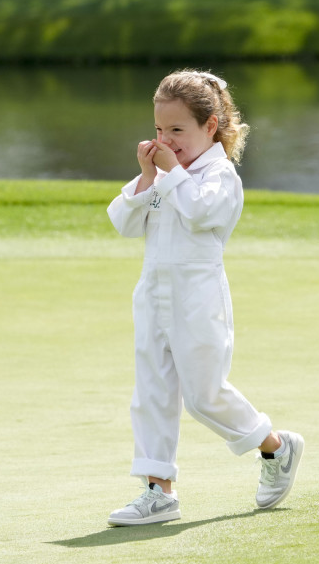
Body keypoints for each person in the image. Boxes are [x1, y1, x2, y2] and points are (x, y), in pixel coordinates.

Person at [106, 70, 304, 526]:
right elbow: (123, 221)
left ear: (210, 126)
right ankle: (159, 492)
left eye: (178, 130)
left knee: (203, 396)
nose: (166, 140)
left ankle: (276, 447)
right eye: (159, 130)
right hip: (152, 295)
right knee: (152, 391)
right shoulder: (162, 176)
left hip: (198, 298)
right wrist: (146, 176)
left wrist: (170, 174)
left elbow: (199, 213)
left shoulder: (220, 176)